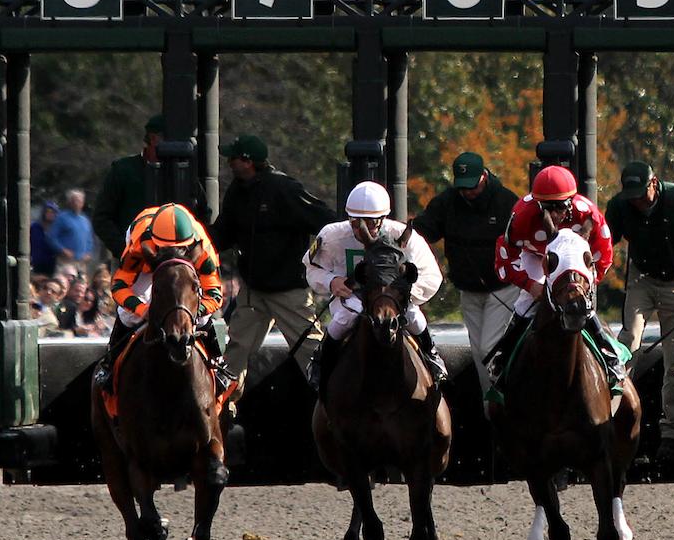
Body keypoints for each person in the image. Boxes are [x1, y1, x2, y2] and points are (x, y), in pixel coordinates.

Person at [604, 161, 674, 460]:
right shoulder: (620, 206)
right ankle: (611, 419)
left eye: (641, 194)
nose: (637, 202)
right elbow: (604, 242)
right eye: (632, 196)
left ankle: (672, 434)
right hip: (641, 278)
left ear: (654, 183)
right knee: (627, 345)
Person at [208, 134, 337, 388]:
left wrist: (317, 262)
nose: (229, 163)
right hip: (253, 290)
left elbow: (327, 223)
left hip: (289, 291)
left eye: (233, 158)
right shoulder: (237, 190)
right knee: (234, 354)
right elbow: (223, 233)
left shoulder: (284, 188)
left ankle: (334, 405)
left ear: (248, 161)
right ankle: (224, 408)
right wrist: (197, 242)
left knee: (311, 352)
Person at [487, 163, 625, 393]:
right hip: (537, 255)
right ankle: (502, 357)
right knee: (525, 303)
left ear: (571, 202)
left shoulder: (588, 214)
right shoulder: (521, 216)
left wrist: (586, 286)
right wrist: (530, 285)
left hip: (574, 256)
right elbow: (504, 260)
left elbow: (604, 254)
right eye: (546, 207)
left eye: (559, 207)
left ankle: (610, 356)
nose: (553, 215)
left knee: (582, 302)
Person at [304, 181, 446, 393]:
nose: (362, 229)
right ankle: (320, 361)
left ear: (382, 219)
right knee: (346, 316)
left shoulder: (402, 236)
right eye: (356, 221)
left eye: (370, 222)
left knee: (414, 316)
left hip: (391, 300)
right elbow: (312, 268)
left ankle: (432, 354)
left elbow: (431, 275)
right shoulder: (332, 235)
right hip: (351, 296)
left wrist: (405, 294)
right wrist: (331, 282)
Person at [93, 202, 230, 393]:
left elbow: (214, 294)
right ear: (154, 242)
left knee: (204, 315)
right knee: (128, 314)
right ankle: (110, 363)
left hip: (179, 261)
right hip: (149, 263)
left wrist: (193, 312)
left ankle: (218, 362)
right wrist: (143, 310)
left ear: (190, 245)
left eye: (179, 248)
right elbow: (119, 286)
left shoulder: (203, 249)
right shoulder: (140, 244)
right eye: (164, 248)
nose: (171, 253)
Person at [411, 152, 517, 388]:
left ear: (484, 176)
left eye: (473, 186)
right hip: (468, 289)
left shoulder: (506, 201)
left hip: (502, 288)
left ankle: (506, 396)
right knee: (479, 353)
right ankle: (488, 408)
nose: (468, 192)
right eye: (463, 187)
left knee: (490, 346)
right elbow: (422, 230)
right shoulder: (447, 202)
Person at [90, 114, 163, 254]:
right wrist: (124, 248)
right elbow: (101, 218)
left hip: (173, 260)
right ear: (153, 139)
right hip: (130, 260)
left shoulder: (180, 173)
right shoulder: (123, 170)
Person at [49, 188, 98, 268]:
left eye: (80, 201)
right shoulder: (61, 218)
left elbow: (89, 240)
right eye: (75, 200)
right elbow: (51, 238)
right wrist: (62, 250)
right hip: (65, 261)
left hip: (81, 262)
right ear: (70, 202)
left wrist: (88, 253)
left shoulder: (85, 220)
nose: (77, 203)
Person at [29, 203, 60, 277]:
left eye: (52, 212)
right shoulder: (34, 227)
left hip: (53, 263)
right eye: (48, 211)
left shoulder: (58, 229)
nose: (50, 214)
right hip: (36, 262)